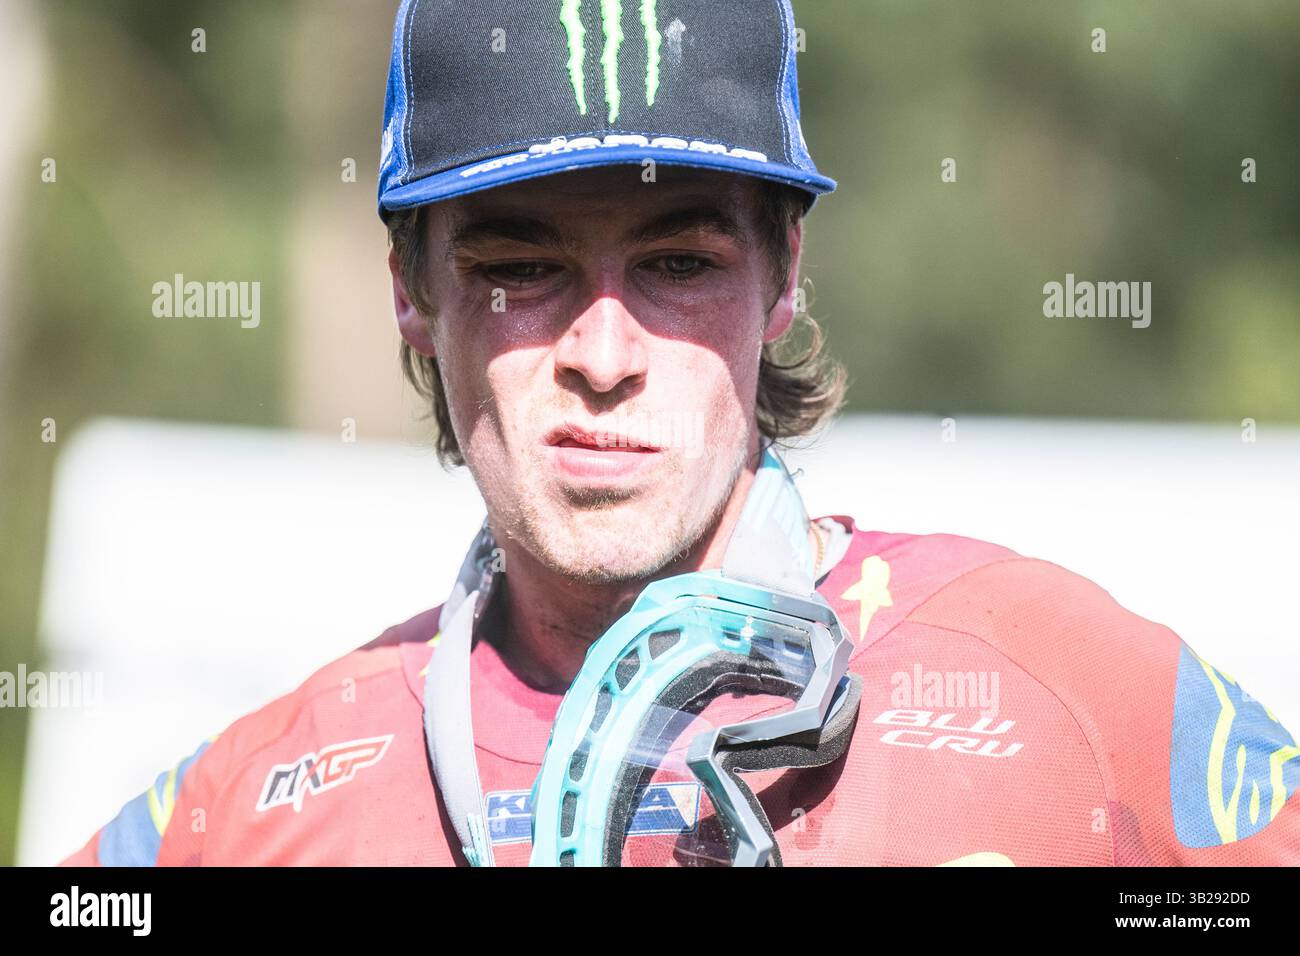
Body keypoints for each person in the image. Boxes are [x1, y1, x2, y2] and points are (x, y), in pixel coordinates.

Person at [65, 0, 1297, 866]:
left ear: (783, 273)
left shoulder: (1057, 687)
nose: (603, 357)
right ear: (409, 285)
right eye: (519, 264)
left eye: (676, 262)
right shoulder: (264, 792)